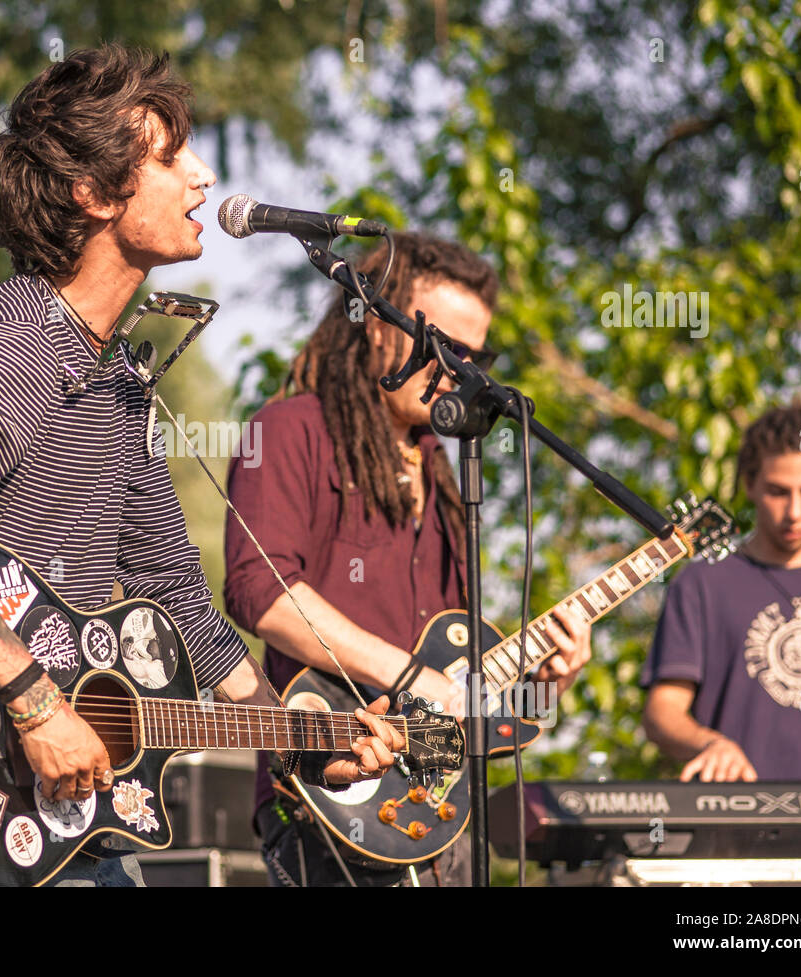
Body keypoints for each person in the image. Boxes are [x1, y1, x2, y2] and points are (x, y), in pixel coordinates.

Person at [0, 45, 405, 886]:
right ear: (93, 191)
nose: (202, 177)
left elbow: (179, 598)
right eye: (169, 156)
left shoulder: (119, 381)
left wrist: (302, 743)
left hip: (67, 822)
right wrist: (37, 702)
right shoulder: (22, 340)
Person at [223, 233, 592, 886]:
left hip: (437, 808)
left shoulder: (443, 465)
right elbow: (264, 592)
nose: (458, 369)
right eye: (442, 345)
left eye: (474, 355)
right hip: (330, 787)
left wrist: (546, 683)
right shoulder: (286, 429)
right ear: (375, 326)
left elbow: (457, 685)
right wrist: (410, 673)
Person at [642, 402, 801, 781]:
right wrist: (708, 743)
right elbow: (663, 711)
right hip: (735, 819)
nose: (793, 511)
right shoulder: (702, 583)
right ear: (750, 485)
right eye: (778, 491)